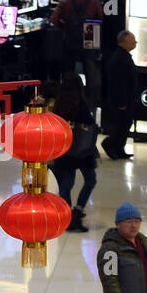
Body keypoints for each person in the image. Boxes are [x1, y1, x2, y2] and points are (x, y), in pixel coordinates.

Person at [49, 71, 98, 233]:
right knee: (90, 180)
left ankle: (67, 214)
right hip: (82, 150)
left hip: (64, 148)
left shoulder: (58, 104)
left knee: (66, 183)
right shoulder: (81, 103)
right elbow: (89, 123)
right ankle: (77, 210)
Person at [50, 0, 104, 99]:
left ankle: (69, 97)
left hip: (71, 40)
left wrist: (65, 27)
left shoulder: (66, 1)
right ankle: (90, 99)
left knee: (68, 71)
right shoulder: (93, 1)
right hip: (89, 37)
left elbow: (54, 19)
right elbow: (101, 19)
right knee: (90, 71)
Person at [101, 30, 138, 160]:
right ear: (125, 42)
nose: (136, 42)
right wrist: (122, 102)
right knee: (122, 124)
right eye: (133, 40)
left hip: (127, 98)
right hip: (122, 100)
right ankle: (109, 144)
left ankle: (119, 149)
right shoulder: (119, 58)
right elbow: (118, 82)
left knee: (126, 123)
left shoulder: (124, 56)